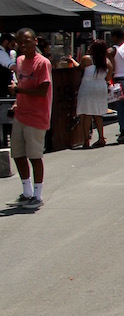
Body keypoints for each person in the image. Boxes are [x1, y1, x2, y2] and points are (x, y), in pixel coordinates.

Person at [7, 28, 52, 209]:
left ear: (35, 41)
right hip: (21, 114)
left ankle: (37, 195)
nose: (22, 45)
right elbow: (22, 83)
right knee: (17, 154)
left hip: (37, 116)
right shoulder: (19, 61)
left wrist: (19, 90)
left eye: (26, 41)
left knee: (34, 156)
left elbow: (42, 91)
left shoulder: (43, 63)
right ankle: (26, 193)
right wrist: (17, 101)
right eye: (19, 42)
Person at [74, 39, 112, 149]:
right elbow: (108, 78)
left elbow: (79, 67)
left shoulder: (87, 59)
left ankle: (86, 140)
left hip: (88, 86)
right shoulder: (107, 62)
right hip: (100, 86)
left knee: (86, 113)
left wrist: (71, 60)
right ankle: (101, 137)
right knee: (98, 113)